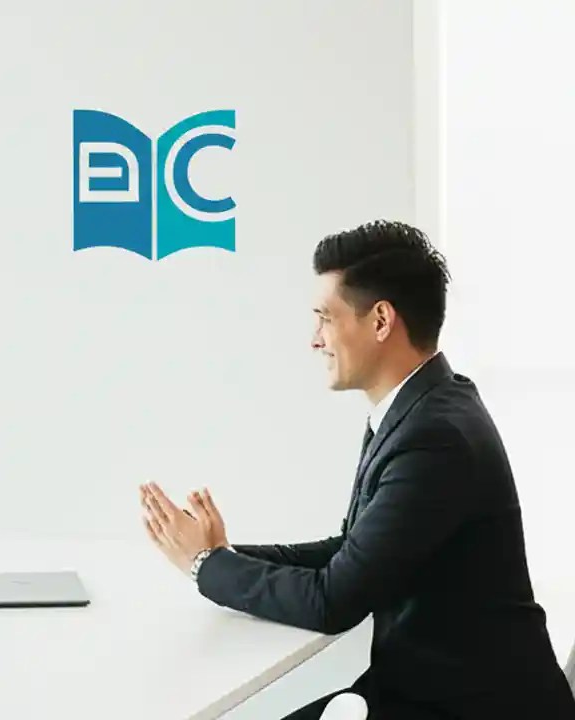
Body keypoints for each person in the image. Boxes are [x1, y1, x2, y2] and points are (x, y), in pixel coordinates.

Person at [139, 220, 575, 719]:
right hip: (429, 691)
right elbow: (350, 550)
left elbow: (335, 600)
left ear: (381, 320)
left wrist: (206, 567)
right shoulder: (422, 408)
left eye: (325, 318)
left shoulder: (435, 438)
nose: (314, 339)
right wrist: (223, 554)